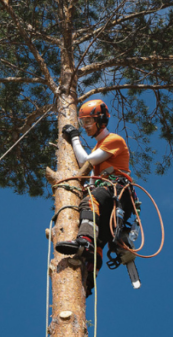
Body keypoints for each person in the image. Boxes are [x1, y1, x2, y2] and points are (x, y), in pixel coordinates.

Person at [55, 99, 135, 294]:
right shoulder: (97, 146)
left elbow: (86, 162)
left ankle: (85, 240)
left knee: (92, 199)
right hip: (108, 198)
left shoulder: (114, 140)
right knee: (101, 238)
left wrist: (74, 137)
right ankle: (90, 275)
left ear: (100, 120)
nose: (85, 127)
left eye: (88, 122)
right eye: (83, 123)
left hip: (116, 191)